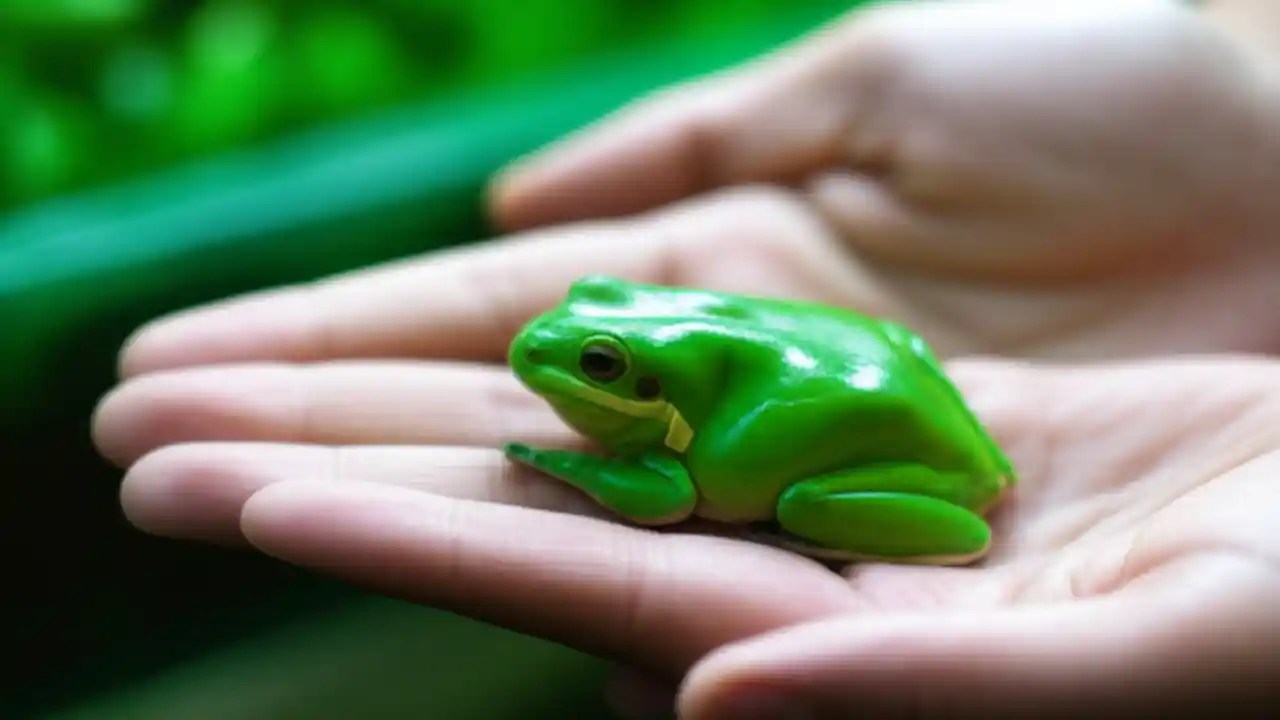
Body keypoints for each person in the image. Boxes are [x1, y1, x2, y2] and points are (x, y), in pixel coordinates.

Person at [91, 0, 1280, 716]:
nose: (555, 362)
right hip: (894, 383)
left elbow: (667, 489)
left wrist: (562, 460)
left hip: (902, 466)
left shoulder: (664, 438)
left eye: (599, 366)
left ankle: (811, 502)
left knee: (795, 490)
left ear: (648, 387)